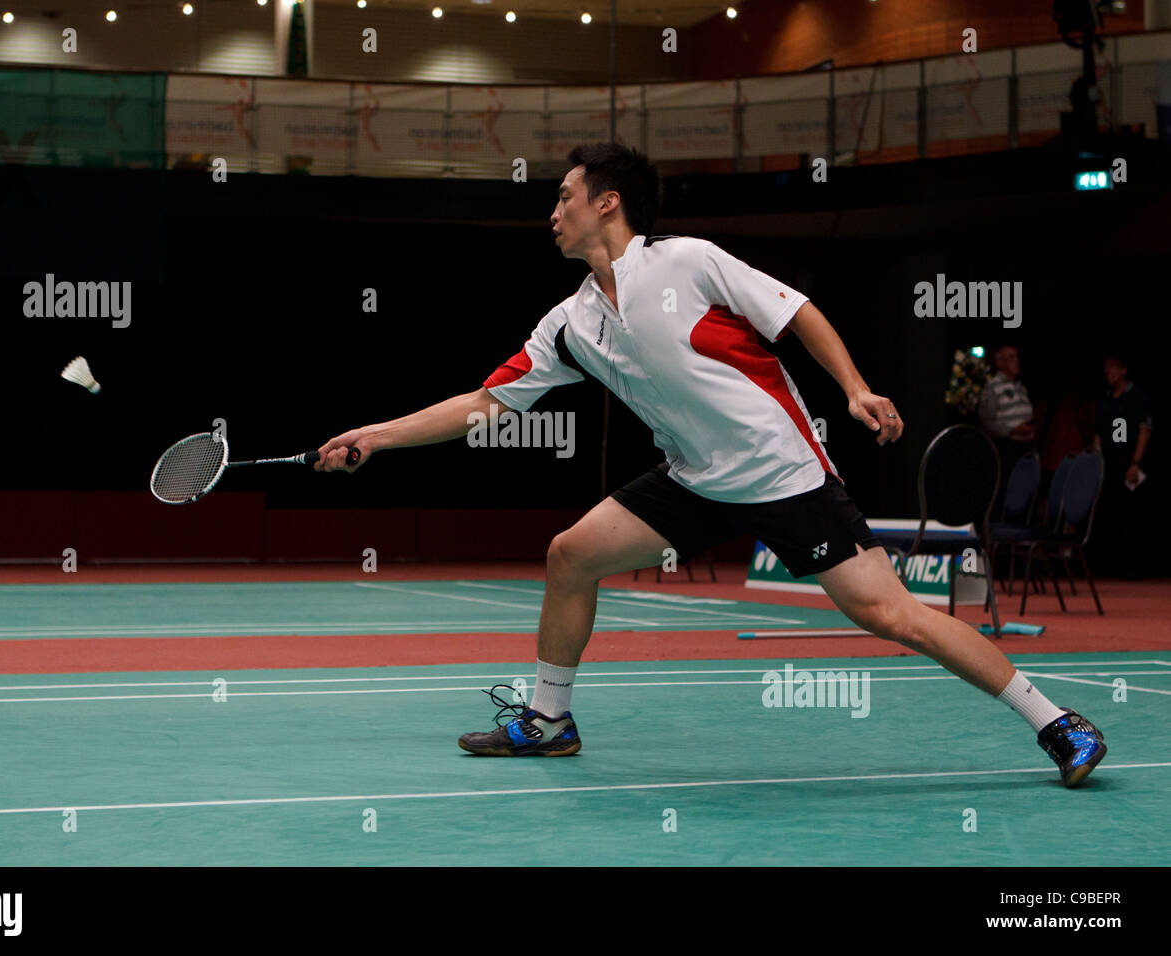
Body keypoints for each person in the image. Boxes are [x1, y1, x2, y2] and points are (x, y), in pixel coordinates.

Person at [314, 144, 1106, 788]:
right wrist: (377, 435)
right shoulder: (571, 322)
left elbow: (797, 313)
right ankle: (549, 722)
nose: (550, 211)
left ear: (607, 202)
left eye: (563, 196)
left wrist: (857, 390)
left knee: (891, 616)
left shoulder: (688, 261)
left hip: (783, 471)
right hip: (692, 477)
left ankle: (1057, 723)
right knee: (569, 555)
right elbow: (485, 403)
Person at [1091, 353, 1153, 577]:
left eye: (1113, 368)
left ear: (1124, 370)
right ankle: (1106, 565)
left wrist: (1135, 462)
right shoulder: (1106, 397)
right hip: (1107, 462)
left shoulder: (1136, 396)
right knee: (1106, 512)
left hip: (1127, 460)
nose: (1109, 373)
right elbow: (1098, 431)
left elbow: (1144, 429)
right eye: (1106, 369)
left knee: (1128, 513)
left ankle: (1131, 567)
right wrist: (1095, 460)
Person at [978, 345, 1040, 515]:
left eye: (1016, 356)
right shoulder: (992, 387)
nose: (1016, 361)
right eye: (1011, 357)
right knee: (1006, 495)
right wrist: (1013, 430)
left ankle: (1022, 535)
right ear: (1000, 363)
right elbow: (987, 422)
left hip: (1026, 450)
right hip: (1006, 450)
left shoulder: (1021, 387)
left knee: (1025, 494)